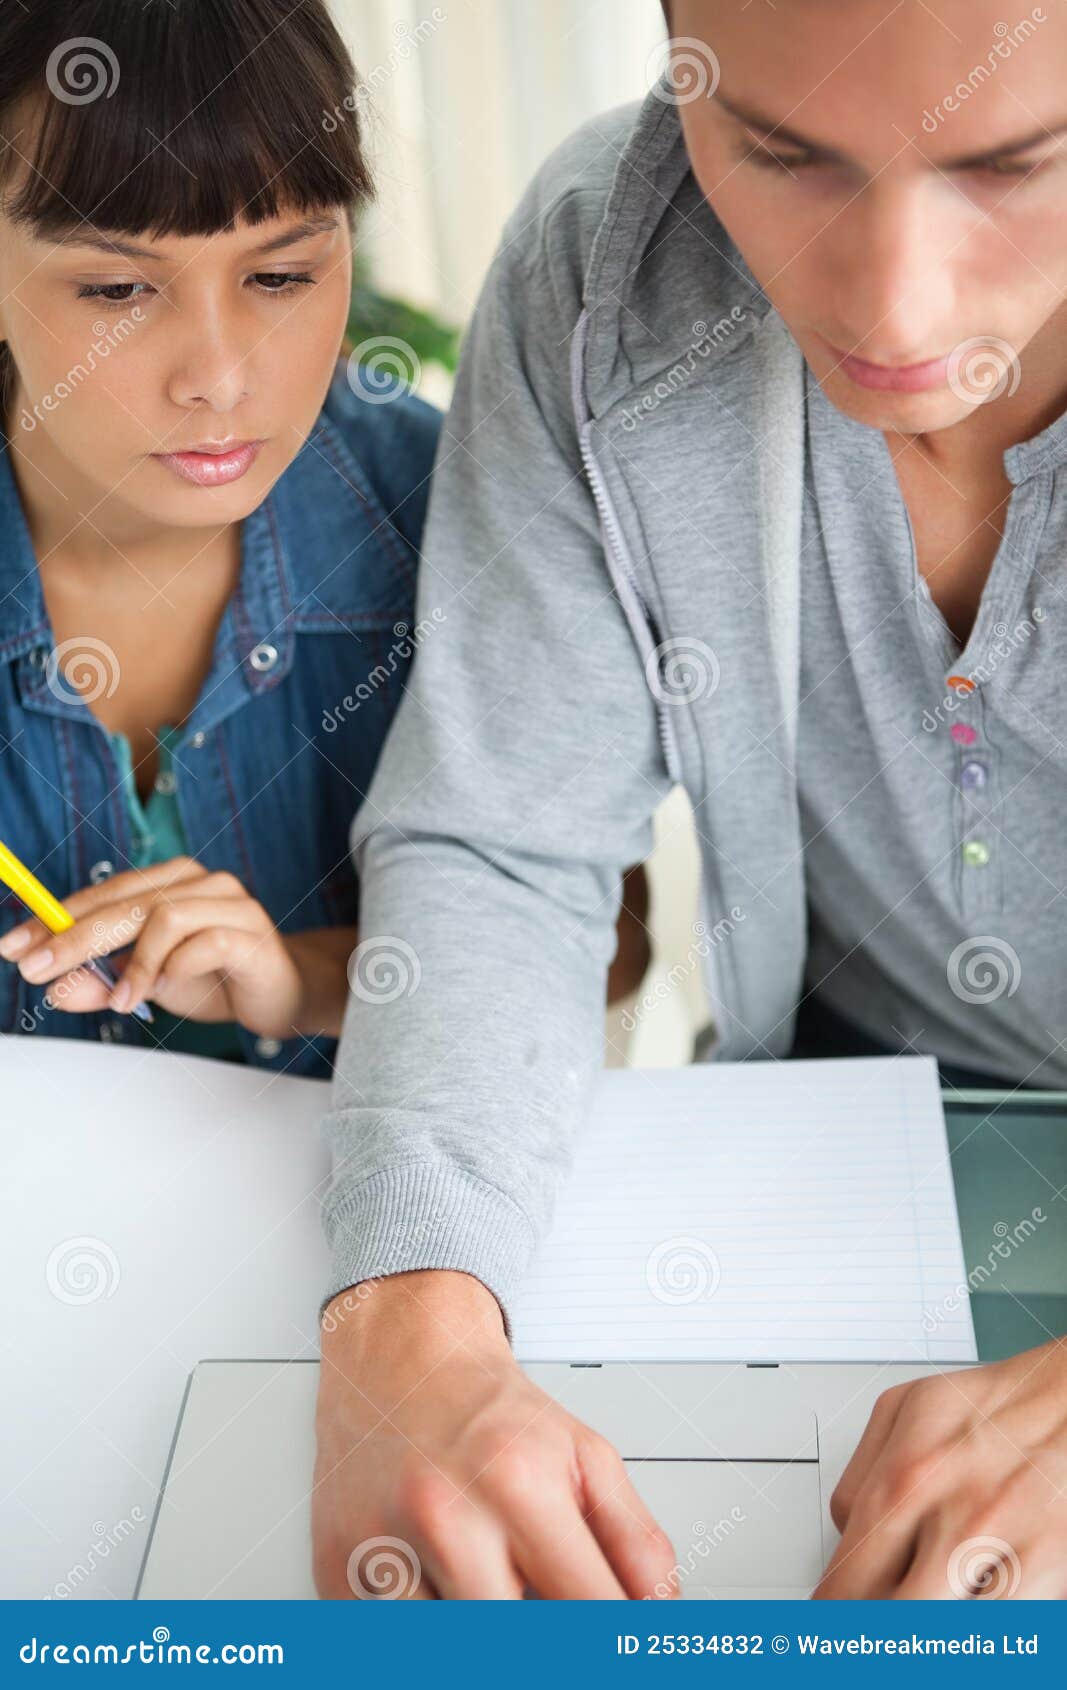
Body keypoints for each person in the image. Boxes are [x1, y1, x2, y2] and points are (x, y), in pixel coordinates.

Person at [313, 0, 1067, 1598]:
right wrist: (415, 1318)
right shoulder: (603, 272)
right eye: (781, 153)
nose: (889, 305)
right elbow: (502, 842)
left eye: (1016, 163)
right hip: (824, 1154)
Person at [0, 0, 650, 1069]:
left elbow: (605, 944)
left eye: (281, 275)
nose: (218, 376)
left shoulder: (448, 508)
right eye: (117, 289)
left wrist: (294, 979)